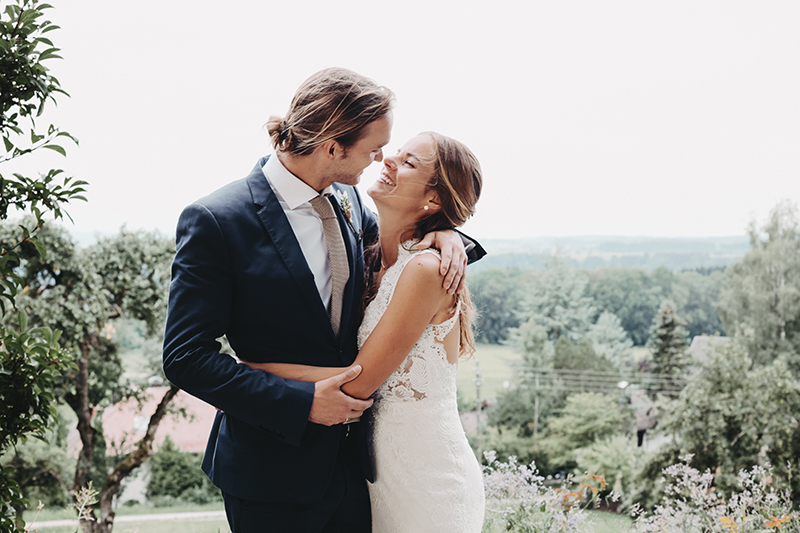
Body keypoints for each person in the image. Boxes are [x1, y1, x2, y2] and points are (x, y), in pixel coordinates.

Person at [162, 68, 484, 533]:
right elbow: (185, 357)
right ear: (333, 146)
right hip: (272, 475)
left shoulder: (351, 205)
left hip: (362, 475)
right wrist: (300, 401)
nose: (379, 159)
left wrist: (449, 233)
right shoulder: (216, 220)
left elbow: (402, 255)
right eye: (374, 148)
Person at [245, 131, 486, 532]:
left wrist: (253, 369)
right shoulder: (369, 256)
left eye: (409, 163)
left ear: (435, 199)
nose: (388, 160)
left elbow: (358, 381)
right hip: (375, 479)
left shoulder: (426, 270)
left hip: (428, 480)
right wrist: (449, 231)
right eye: (398, 153)